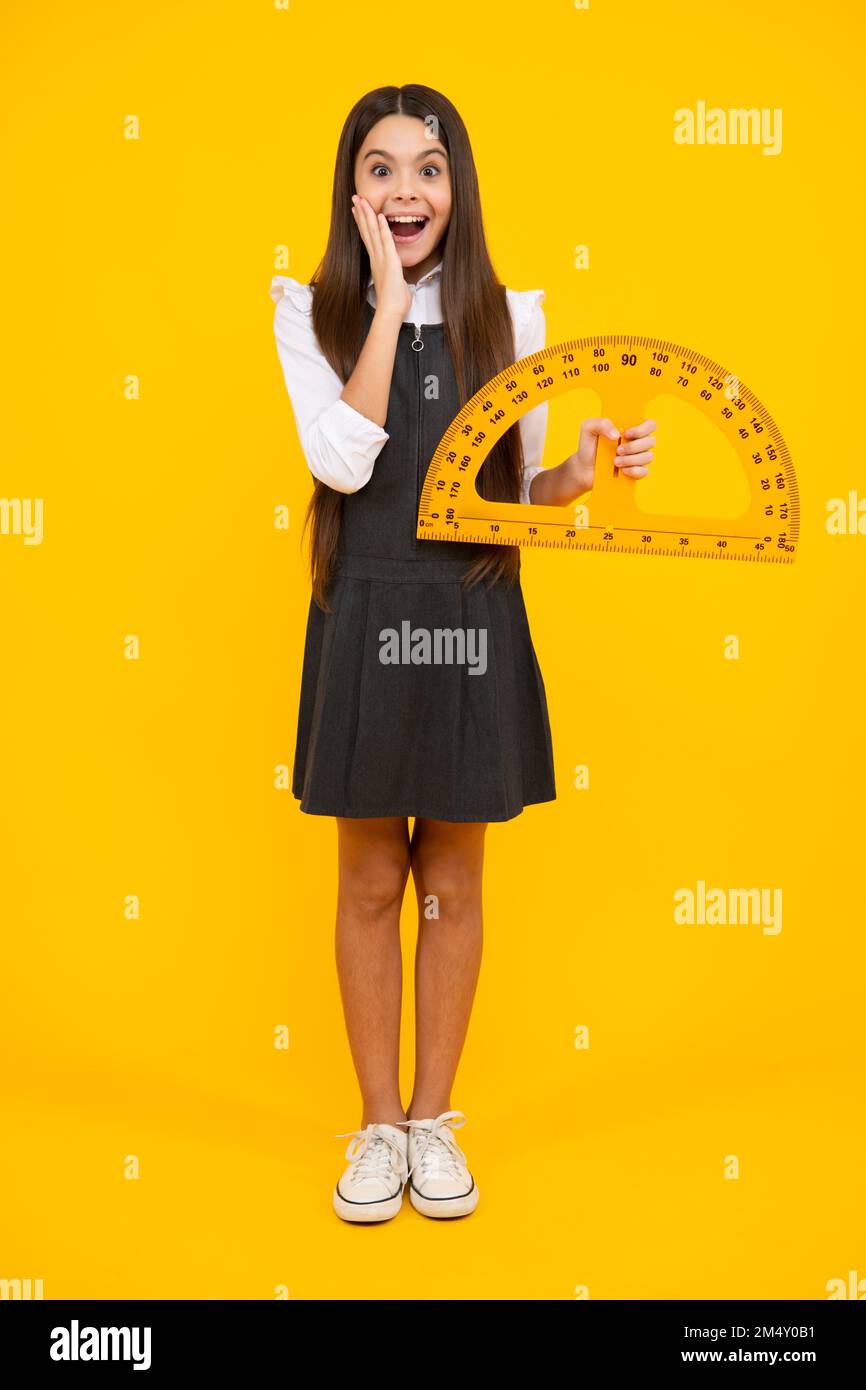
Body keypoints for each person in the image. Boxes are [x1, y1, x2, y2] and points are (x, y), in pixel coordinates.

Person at [268, 84, 655, 1224]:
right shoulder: (308, 312)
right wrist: (386, 305)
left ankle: (434, 1123)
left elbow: (513, 495)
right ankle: (377, 1128)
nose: (406, 191)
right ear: (352, 190)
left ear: (457, 186)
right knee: (367, 879)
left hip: (472, 615)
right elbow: (342, 462)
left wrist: (576, 476)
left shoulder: (508, 317)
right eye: (381, 168)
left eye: (427, 169)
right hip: (364, 610)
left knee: (451, 880)